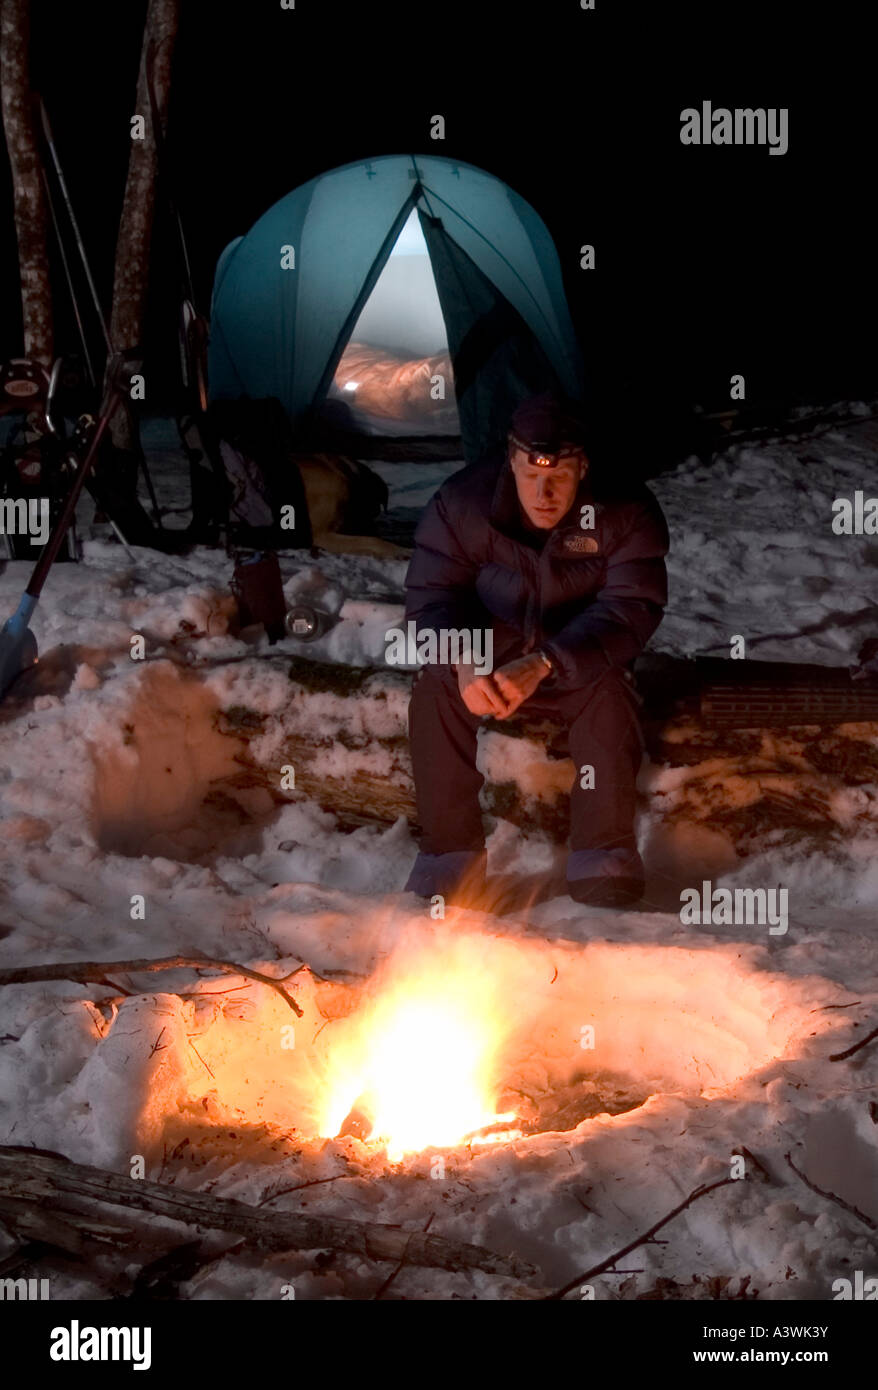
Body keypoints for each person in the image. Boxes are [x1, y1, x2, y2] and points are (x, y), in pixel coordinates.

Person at [403, 390, 670, 907]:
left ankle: (604, 850)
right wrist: (464, 659)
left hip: (578, 658)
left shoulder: (626, 511)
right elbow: (432, 596)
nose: (544, 493)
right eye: (531, 475)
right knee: (433, 691)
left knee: (611, 696)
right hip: (490, 655)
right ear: (511, 459)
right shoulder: (463, 504)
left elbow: (631, 608)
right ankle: (449, 854)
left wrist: (548, 661)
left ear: (583, 467)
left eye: (560, 477)